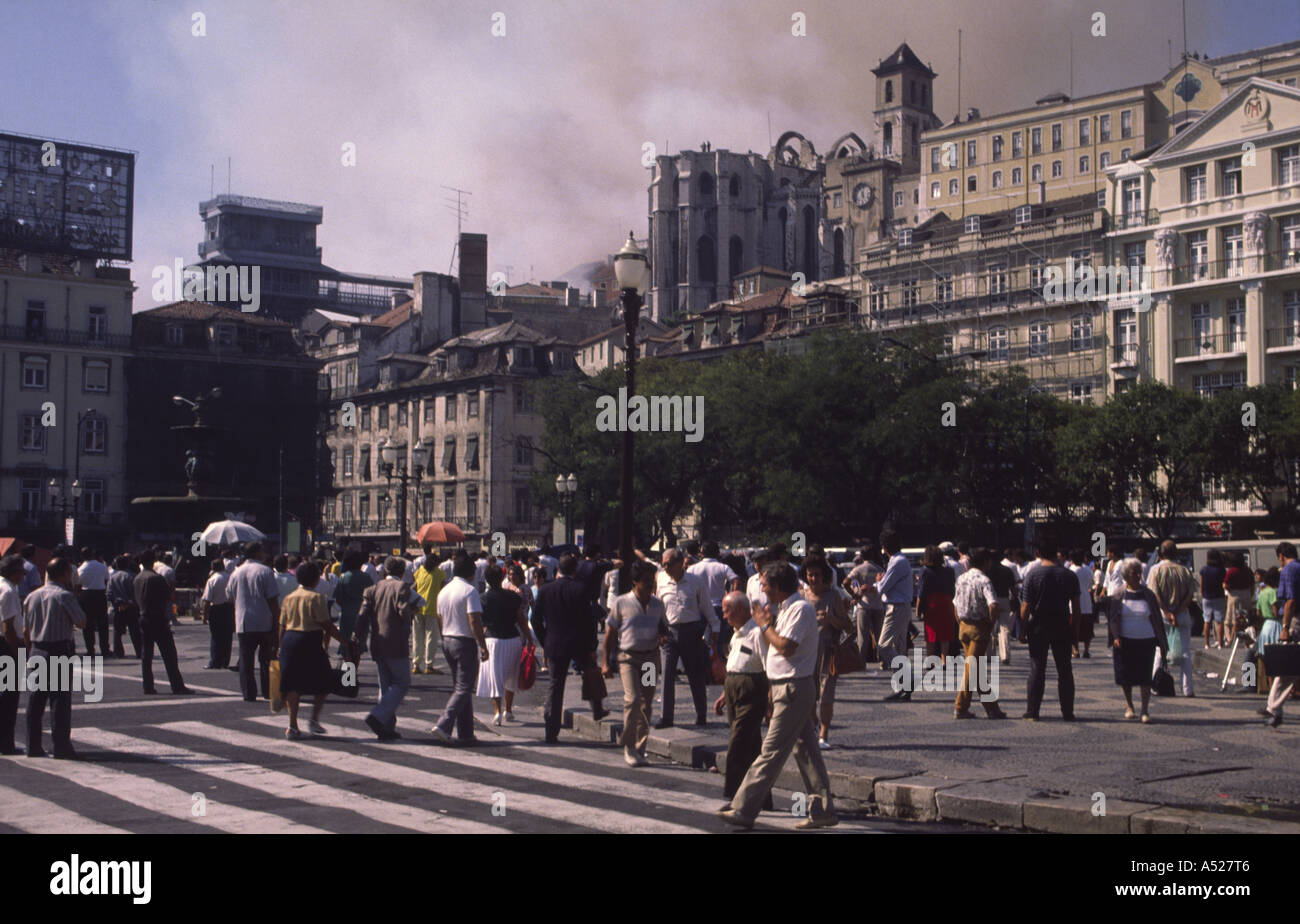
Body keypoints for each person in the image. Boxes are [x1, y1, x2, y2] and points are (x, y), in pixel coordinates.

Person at [719, 562, 838, 830]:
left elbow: (785, 647)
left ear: (776, 586)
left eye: (764, 585)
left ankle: (743, 808)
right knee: (806, 751)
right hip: (784, 686)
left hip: (794, 687)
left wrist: (763, 626)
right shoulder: (785, 609)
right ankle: (822, 810)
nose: (761, 590)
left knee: (770, 751)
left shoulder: (800, 609)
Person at [534, 553, 607, 743]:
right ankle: (597, 708)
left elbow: (535, 620)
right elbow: (588, 621)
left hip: (555, 643)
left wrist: (545, 639)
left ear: (559, 568)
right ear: (575, 569)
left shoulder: (545, 590)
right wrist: (592, 645)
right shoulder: (581, 589)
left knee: (555, 685)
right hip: (579, 642)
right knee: (590, 672)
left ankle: (551, 729)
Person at [603, 560, 670, 767]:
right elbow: (609, 634)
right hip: (629, 659)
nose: (651, 587)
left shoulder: (658, 605)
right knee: (632, 700)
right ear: (635, 582)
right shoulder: (621, 603)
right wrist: (605, 662)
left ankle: (641, 747)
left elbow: (664, 628)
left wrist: (663, 636)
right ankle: (629, 746)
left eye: (652, 583)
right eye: (647, 583)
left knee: (646, 704)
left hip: (650, 659)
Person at [711, 590, 772, 809]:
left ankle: (734, 795)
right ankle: (763, 799)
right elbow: (735, 664)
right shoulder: (737, 634)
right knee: (752, 745)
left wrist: (769, 700)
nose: (724, 616)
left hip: (752, 690)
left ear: (738, 610)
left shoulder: (756, 633)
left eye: (726, 611)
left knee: (738, 742)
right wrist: (724, 695)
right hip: (735, 688)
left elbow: (768, 666)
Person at [22, 558, 86, 759]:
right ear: (64, 574)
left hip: (37, 648)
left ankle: (33, 745)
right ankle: (61, 746)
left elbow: (25, 629)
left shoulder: (31, 597)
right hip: (59, 649)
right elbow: (81, 622)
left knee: (35, 700)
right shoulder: (64, 596)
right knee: (59, 700)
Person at [354, 557, 423, 740]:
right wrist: (409, 615)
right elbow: (403, 610)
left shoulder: (372, 589)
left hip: (377, 642)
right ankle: (378, 716)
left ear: (384, 571)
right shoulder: (401, 587)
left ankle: (386, 727)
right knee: (402, 682)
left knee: (384, 686)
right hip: (395, 642)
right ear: (401, 572)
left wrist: (356, 636)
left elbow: (362, 615)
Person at [653, 547, 718, 729]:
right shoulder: (662, 580)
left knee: (695, 674)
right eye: (663, 564)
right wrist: (658, 631)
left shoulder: (696, 582)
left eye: (669, 564)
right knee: (666, 674)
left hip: (691, 631)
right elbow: (658, 607)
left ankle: (701, 714)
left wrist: (715, 628)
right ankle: (666, 717)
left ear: (680, 563)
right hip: (669, 633)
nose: (665, 568)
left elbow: (706, 607)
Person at [277, 562, 343, 739]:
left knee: (292, 684)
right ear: (315, 579)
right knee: (324, 681)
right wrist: (344, 640)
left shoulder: (289, 598)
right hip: (310, 640)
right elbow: (326, 624)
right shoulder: (316, 598)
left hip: (290, 640)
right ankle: (313, 720)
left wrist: (279, 646)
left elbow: (282, 625)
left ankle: (292, 725)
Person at [1019, 538, 1079, 721]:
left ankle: (1033, 711)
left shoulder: (1033, 575)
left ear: (1038, 554)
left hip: (1038, 625)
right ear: (1057, 554)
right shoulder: (1068, 575)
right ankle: (1067, 711)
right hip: (1061, 624)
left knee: (1037, 667)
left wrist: (1022, 629)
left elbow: (1025, 607)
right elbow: (1076, 608)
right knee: (1065, 669)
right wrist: (1075, 632)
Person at [432, 555, 488, 745]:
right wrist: (482, 644)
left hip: (447, 638)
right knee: (465, 687)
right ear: (471, 573)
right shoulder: (470, 591)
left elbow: (439, 618)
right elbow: (474, 620)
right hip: (464, 641)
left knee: (460, 687)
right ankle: (444, 724)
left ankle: (466, 732)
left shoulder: (444, 591)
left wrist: (443, 637)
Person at [1104, 560, 1167, 723]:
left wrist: (1160, 641)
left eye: (1139, 573)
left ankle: (1144, 710)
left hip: (1146, 639)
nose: (1138, 576)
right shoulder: (1119, 594)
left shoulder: (1148, 594)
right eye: (1134, 573)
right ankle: (1129, 705)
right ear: (1126, 576)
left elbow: (1156, 618)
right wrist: (1116, 636)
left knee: (1145, 676)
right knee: (1126, 675)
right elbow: (1113, 619)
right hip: (1125, 641)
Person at [801, 555, 853, 748]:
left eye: (817, 575)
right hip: (805, 653)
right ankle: (814, 723)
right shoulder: (802, 596)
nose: (813, 579)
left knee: (826, 695)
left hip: (828, 652)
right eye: (810, 575)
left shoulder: (833, 596)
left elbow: (849, 627)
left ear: (824, 576)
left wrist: (831, 619)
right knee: (807, 695)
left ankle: (824, 734)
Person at [953, 548, 1008, 719]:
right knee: (973, 668)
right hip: (979, 627)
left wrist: (960, 622)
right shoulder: (984, 580)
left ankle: (992, 707)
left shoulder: (961, 578)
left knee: (976, 669)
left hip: (963, 626)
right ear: (986, 562)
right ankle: (961, 706)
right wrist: (991, 624)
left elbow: (955, 604)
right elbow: (993, 605)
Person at [476, 562, 533, 725]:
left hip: (492, 640)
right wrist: (529, 638)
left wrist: (481, 643)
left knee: (495, 676)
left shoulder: (483, 598)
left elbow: (480, 623)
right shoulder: (513, 597)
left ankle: (497, 712)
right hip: (513, 639)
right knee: (511, 675)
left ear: (486, 579)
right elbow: (521, 620)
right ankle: (508, 709)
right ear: (502, 577)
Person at [133, 550, 194, 696]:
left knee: (146, 655)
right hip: (157, 617)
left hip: (143, 616)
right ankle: (177, 686)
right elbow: (168, 596)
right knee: (169, 654)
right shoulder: (156, 578)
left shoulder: (137, 578)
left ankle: (148, 686)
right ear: (153, 560)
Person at [228, 542, 280, 702]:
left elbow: (230, 596)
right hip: (264, 620)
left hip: (244, 621)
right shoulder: (265, 571)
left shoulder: (236, 573)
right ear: (258, 553)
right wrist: (277, 619)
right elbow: (272, 598)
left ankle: (248, 693)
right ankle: (267, 691)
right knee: (266, 658)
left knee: (246, 659)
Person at [1147, 540, 1197, 698]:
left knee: (1159, 651)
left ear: (1161, 554)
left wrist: (1167, 612)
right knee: (1185, 653)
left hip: (1161, 616)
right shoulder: (1185, 571)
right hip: (1182, 615)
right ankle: (1187, 689)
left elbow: (1154, 594)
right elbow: (1190, 595)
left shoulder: (1156, 570)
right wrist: (1177, 612)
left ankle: (1155, 685)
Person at [1263, 542, 1300, 728]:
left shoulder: (1287, 570)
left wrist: (1285, 626)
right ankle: (1273, 707)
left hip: (1296, 621)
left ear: (1280, 556)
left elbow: (1290, 601)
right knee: (1287, 667)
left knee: (1288, 667)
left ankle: (1274, 707)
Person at [877, 529, 914, 695]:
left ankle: (908, 678)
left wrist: (878, 582)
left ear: (884, 546)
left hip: (896, 606)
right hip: (901, 604)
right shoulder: (901, 560)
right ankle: (903, 686)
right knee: (899, 647)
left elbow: (884, 586)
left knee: (883, 646)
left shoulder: (896, 561)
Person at [687, 541, 739, 649]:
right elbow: (736, 581)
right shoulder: (723, 567)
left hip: (699, 608)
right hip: (718, 607)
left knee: (697, 641)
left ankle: (701, 662)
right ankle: (717, 662)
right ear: (717, 553)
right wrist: (730, 597)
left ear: (701, 553)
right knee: (718, 641)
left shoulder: (693, 568)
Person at [0, 556, 26, 753]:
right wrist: (17, 654)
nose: (24, 576)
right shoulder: (8, 591)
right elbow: (8, 627)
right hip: (7, 645)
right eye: (21, 572)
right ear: (14, 572)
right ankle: (6, 743)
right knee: (9, 698)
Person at [917, 545, 957, 667]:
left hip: (932, 603)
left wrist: (918, 609)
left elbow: (921, 592)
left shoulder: (925, 571)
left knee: (931, 634)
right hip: (946, 602)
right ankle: (944, 660)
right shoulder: (949, 571)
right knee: (945, 633)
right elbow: (952, 589)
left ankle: (931, 661)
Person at [843, 547, 884, 665]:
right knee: (879, 636)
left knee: (862, 637)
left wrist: (855, 595)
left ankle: (861, 662)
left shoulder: (858, 569)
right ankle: (882, 660)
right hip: (878, 605)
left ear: (861, 556)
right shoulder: (879, 569)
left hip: (863, 606)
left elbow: (846, 582)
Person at [412, 546, 445, 674]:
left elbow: (414, 587)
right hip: (432, 608)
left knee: (417, 638)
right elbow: (443, 589)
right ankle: (429, 665)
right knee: (431, 637)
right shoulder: (439, 573)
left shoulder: (420, 571)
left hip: (418, 608)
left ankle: (416, 664)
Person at [334, 551, 369, 661]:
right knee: (358, 646)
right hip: (362, 614)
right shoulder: (366, 578)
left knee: (346, 645)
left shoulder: (343, 577)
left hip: (347, 615)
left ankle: (348, 676)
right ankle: (354, 672)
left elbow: (338, 598)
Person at [76, 548, 111, 657]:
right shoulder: (102, 566)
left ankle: (90, 649)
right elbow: (106, 579)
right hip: (100, 594)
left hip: (86, 595)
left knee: (88, 625)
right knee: (103, 624)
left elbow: (78, 584)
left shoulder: (81, 569)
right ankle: (105, 649)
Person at [107, 555, 142, 658]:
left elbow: (109, 594)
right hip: (131, 607)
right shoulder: (132, 576)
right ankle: (139, 651)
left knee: (117, 632)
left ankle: (118, 652)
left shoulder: (112, 577)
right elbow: (135, 593)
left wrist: (116, 603)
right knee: (135, 631)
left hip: (118, 607)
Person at [202, 558, 234, 669]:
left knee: (216, 636)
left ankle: (215, 661)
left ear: (213, 568)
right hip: (229, 608)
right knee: (227, 636)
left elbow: (207, 600)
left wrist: (204, 615)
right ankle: (225, 660)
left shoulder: (212, 580)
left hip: (216, 609)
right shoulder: (230, 577)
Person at [987, 551, 1017, 665]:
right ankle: (1005, 655)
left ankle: (990, 654)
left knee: (989, 627)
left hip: (990, 601)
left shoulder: (987, 571)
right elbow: (1013, 588)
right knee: (1004, 628)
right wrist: (1014, 598)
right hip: (1004, 599)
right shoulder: (1007, 570)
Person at [1068, 549, 1095, 658]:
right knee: (1087, 627)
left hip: (1073, 602)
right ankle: (1086, 650)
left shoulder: (1071, 570)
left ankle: (1076, 650)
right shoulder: (1088, 570)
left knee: (1074, 627)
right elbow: (1090, 584)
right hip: (1087, 601)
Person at [1199, 550, 1228, 649]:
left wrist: (1203, 594)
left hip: (1207, 597)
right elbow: (1224, 584)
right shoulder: (1221, 570)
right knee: (1219, 621)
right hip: (1218, 597)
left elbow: (1201, 585)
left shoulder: (1204, 570)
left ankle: (1207, 644)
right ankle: (1220, 643)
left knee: (1207, 621)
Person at [1224, 553, 1254, 647]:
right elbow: (1252, 585)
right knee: (1245, 619)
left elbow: (1225, 584)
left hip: (1234, 596)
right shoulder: (1248, 570)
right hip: (1246, 595)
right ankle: (1247, 640)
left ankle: (1230, 639)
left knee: (1231, 620)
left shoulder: (1231, 571)